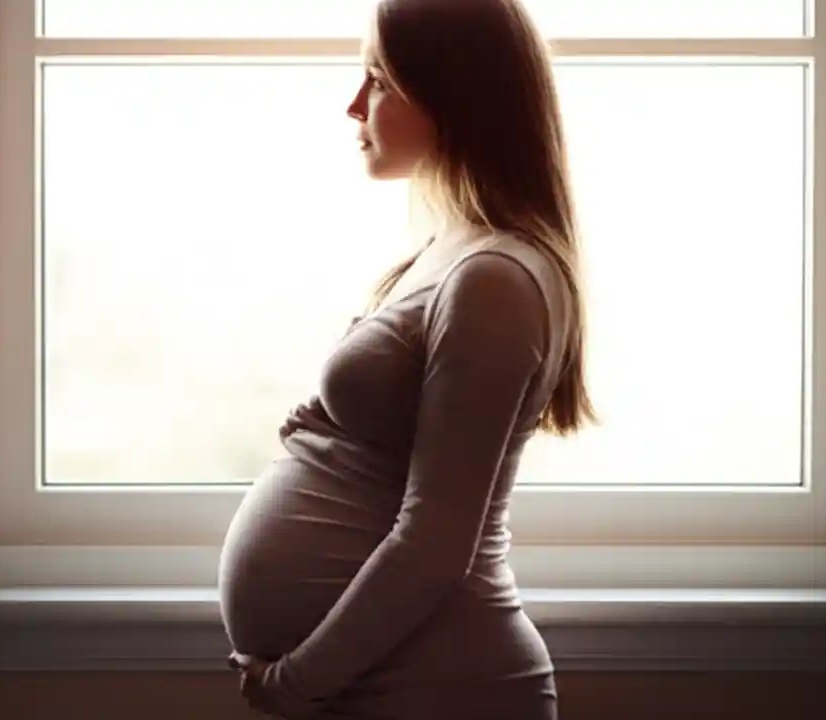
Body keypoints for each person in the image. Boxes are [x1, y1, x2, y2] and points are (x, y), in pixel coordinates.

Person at [217, 0, 596, 717]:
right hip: (389, 683)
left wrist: (296, 681)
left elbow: (434, 540)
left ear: (456, 95)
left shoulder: (494, 277)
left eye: (380, 80)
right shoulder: (449, 249)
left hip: (438, 688)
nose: (355, 104)